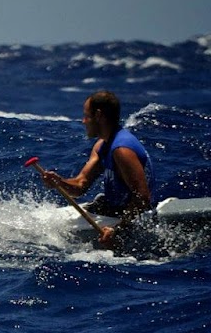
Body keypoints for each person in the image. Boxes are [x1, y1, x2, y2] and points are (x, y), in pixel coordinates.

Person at [40, 90, 153, 247]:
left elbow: (142, 199)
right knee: (41, 223)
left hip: (126, 217)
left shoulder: (122, 150)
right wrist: (59, 183)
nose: (83, 121)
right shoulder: (102, 145)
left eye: (86, 115)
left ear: (98, 115)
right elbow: (80, 186)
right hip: (107, 208)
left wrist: (118, 231)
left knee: (46, 232)